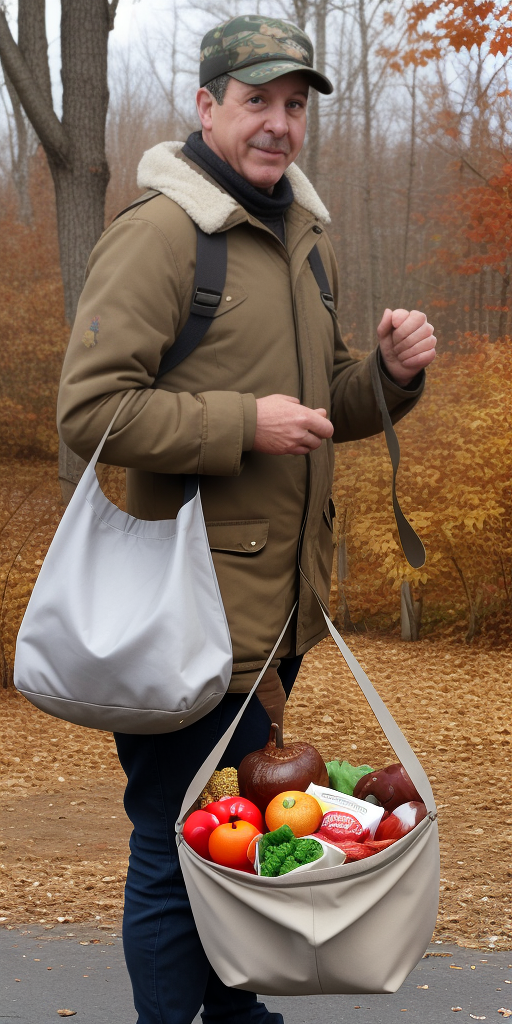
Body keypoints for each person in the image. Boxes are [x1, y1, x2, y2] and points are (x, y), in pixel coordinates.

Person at [57, 14, 436, 1024]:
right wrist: (241, 423)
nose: (278, 124)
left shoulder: (301, 237)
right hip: (181, 614)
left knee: (230, 835)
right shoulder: (159, 234)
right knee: (171, 838)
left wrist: (389, 378)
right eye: (256, 101)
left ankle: (234, 1013)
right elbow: (90, 411)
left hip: (277, 614)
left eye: (293, 106)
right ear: (207, 105)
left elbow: (321, 413)